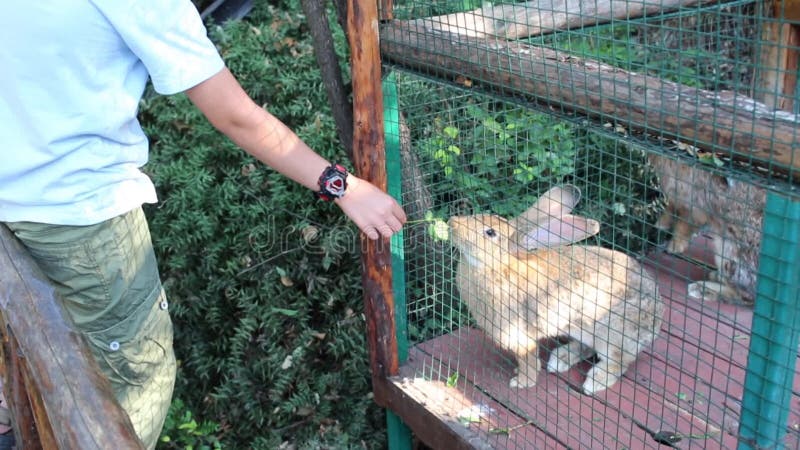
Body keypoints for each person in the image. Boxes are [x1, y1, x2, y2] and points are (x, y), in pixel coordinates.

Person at [0, 2, 406, 448]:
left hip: (13, 203)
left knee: (35, 356)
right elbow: (234, 114)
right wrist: (343, 186)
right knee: (133, 381)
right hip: (81, 217)